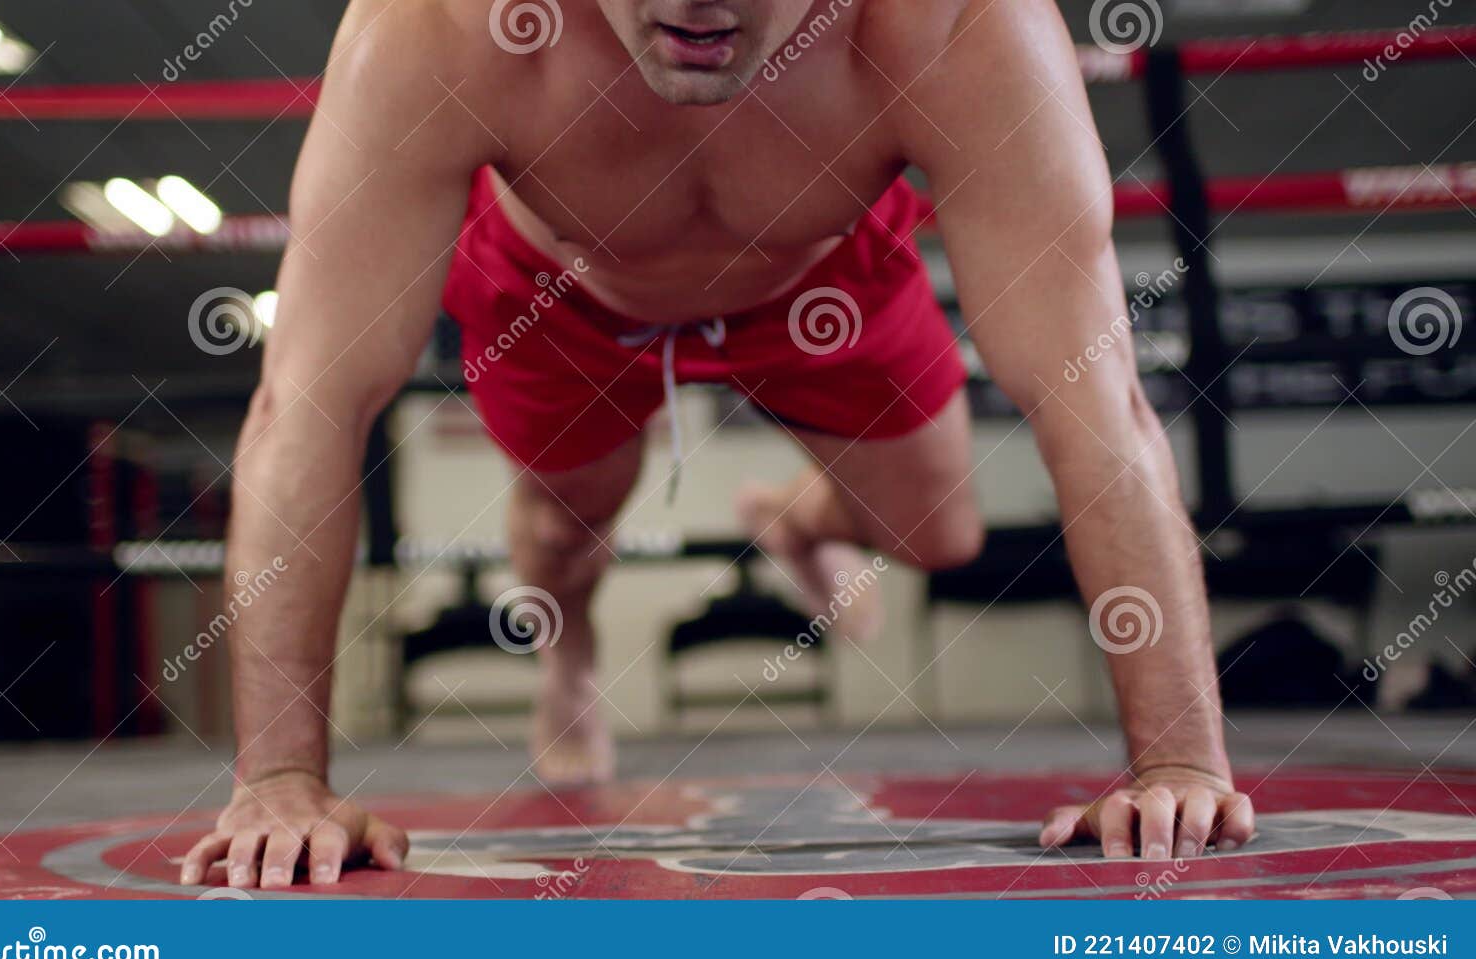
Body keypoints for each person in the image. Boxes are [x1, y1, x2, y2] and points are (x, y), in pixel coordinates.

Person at [177, 0, 1256, 891]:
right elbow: (307, 406)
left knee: (938, 534)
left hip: (820, 275)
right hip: (559, 291)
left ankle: (796, 519)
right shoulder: (442, 25)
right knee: (568, 522)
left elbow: (1095, 401)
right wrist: (280, 782)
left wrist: (1178, 764)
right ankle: (571, 647)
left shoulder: (960, 25)